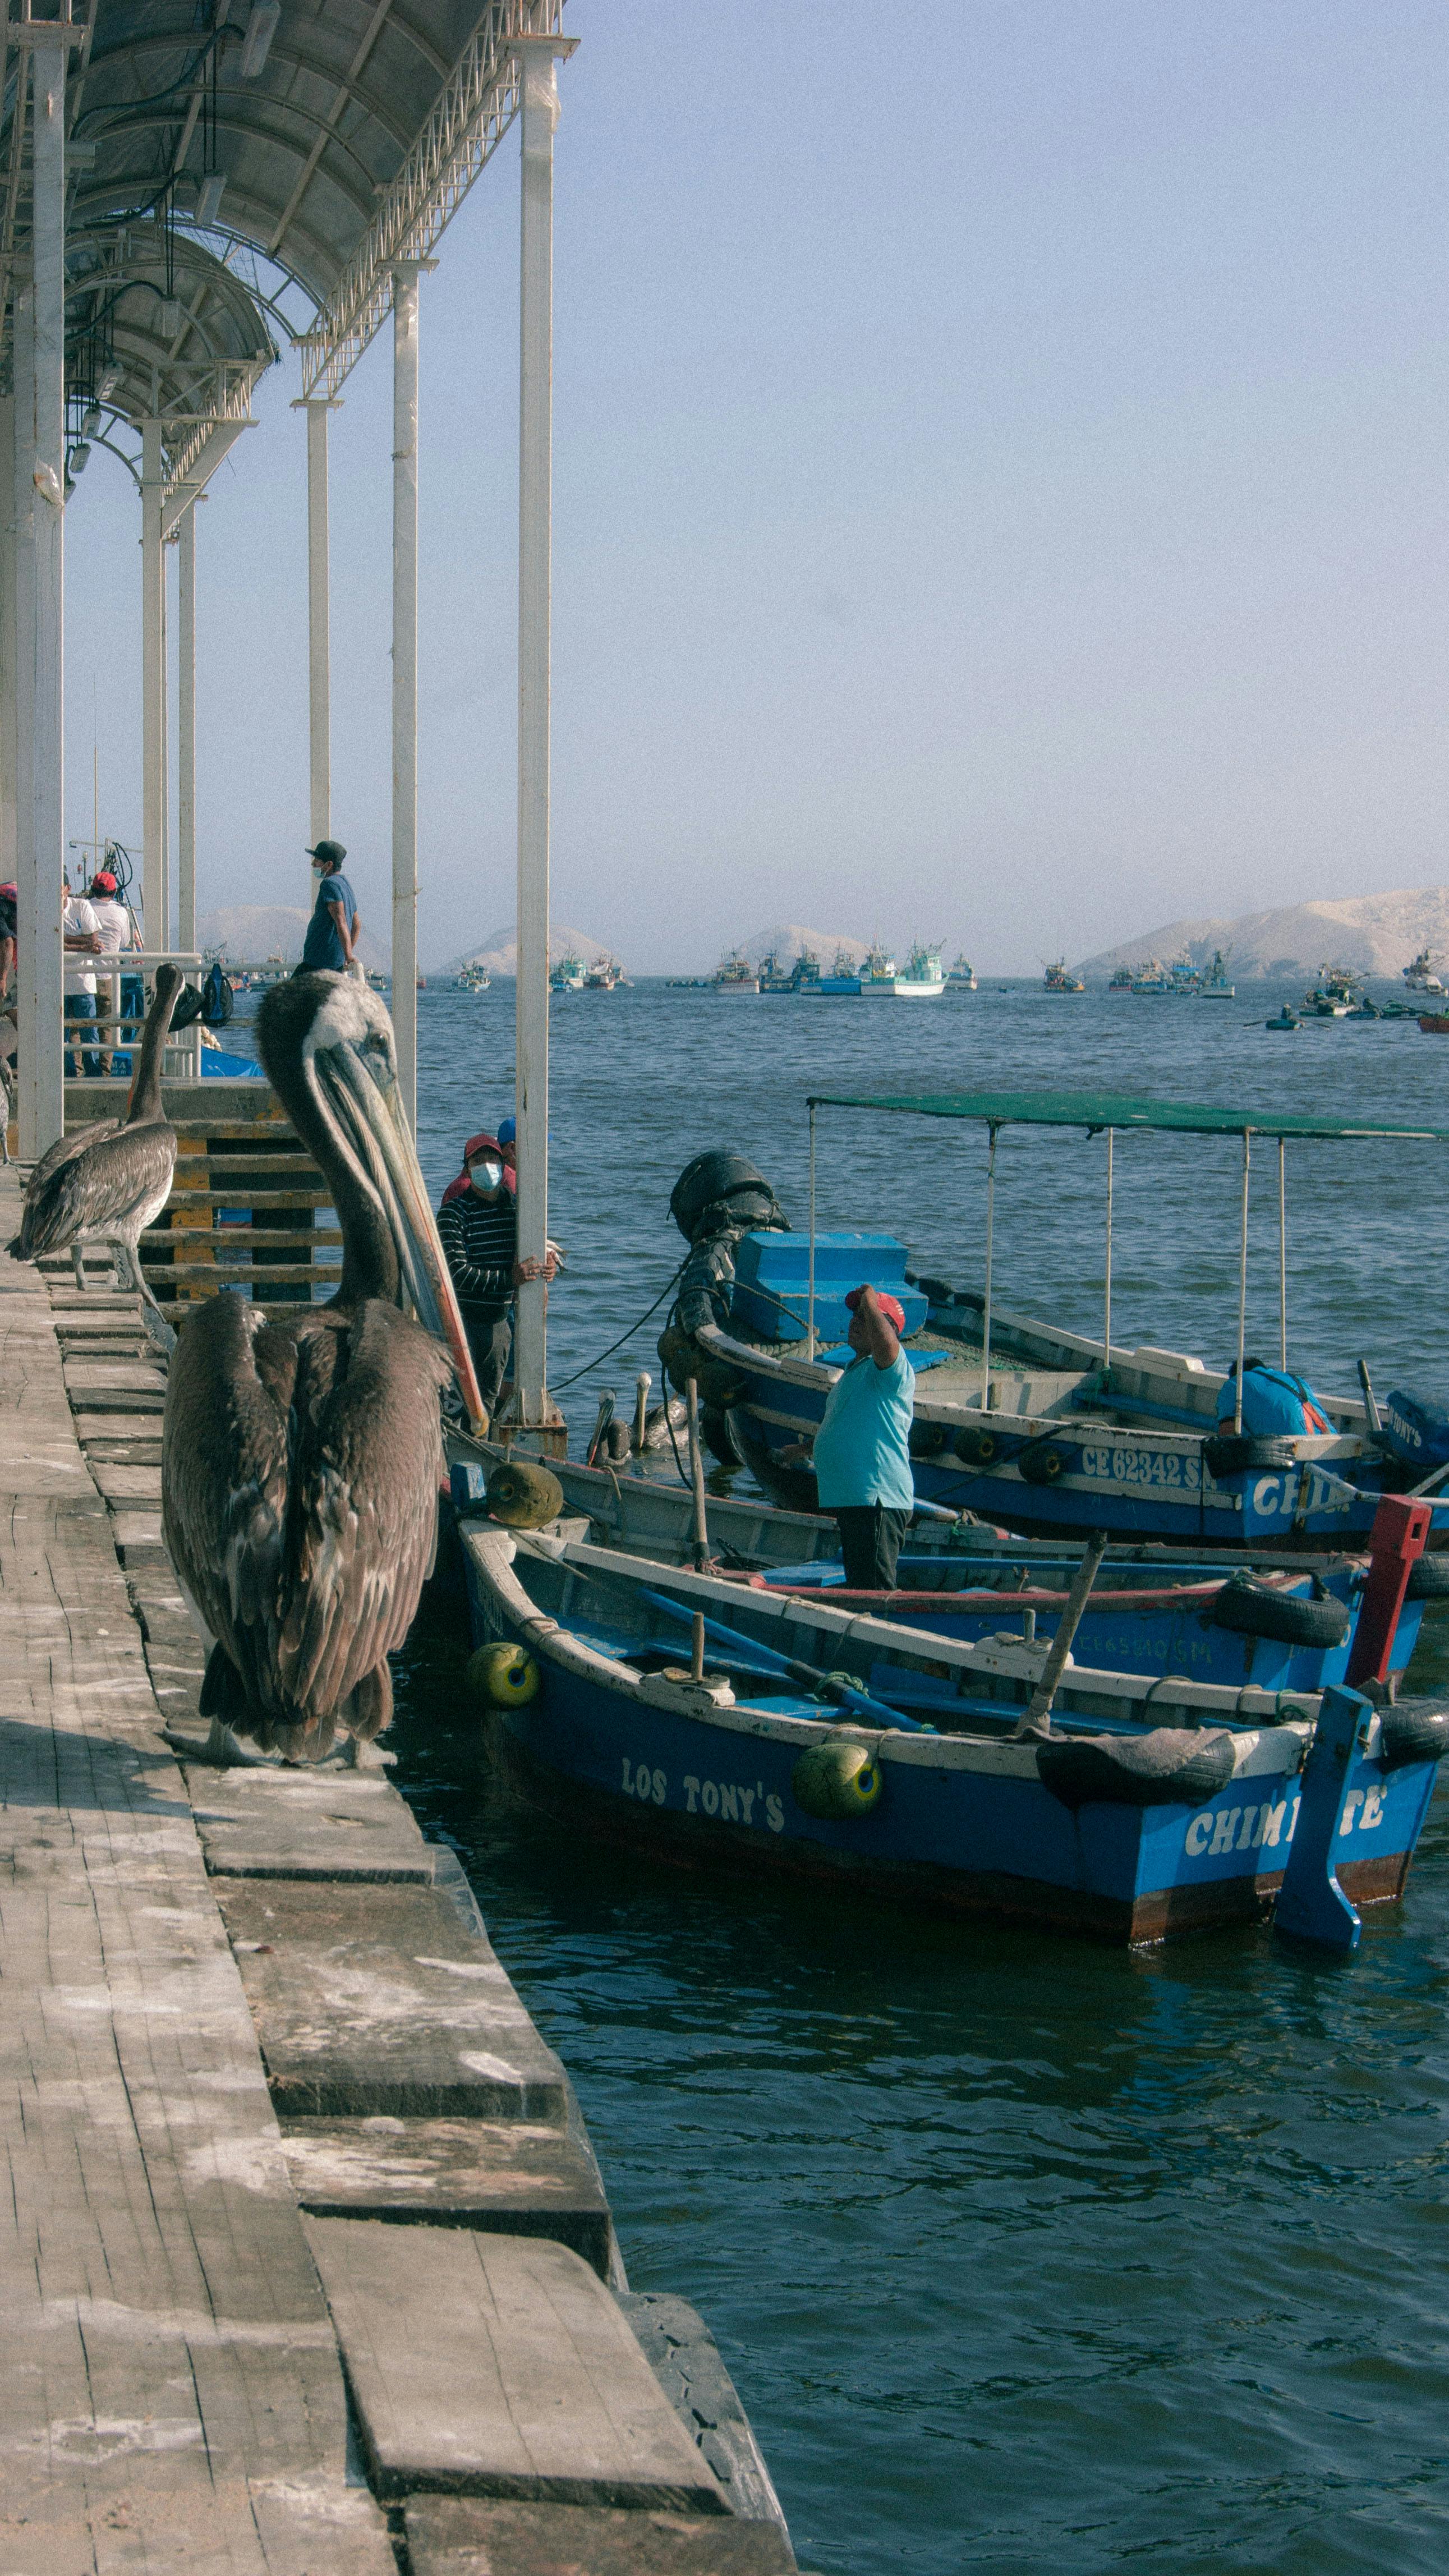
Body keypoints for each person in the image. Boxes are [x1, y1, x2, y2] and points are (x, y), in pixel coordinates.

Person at [438, 1131, 558, 1413]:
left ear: (503, 1165)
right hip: (461, 1324)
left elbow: (532, 1254)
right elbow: (456, 1273)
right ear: (467, 1169)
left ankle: (482, 1440)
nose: (487, 1166)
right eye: (478, 1160)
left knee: (487, 1406)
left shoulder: (516, 1210)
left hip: (498, 1325)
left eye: (493, 1159)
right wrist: (509, 1279)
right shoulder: (453, 1213)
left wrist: (547, 1265)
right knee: (451, 1407)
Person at [810, 1284, 917, 1590]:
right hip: (855, 1498)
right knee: (861, 1585)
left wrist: (871, 1300)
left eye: (866, 1317)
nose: (857, 1321)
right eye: (855, 1316)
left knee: (875, 1591)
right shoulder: (854, 1372)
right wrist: (805, 1449)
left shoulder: (892, 1370)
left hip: (877, 1497)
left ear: (888, 1328)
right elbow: (849, 1426)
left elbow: (887, 1346)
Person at [86, 868, 137, 1075]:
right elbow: (125, 942)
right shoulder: (121, 912)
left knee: (80, 1025)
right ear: (114, 892)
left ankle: (79, 1070)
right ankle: (104, 1071)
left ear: (92, 890)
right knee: (107, 1026)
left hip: (85, 975)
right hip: (109, 976)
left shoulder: (85, 907)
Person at [62, 873, 104, 1077]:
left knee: (89, 1030)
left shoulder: (81, 906)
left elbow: (93, 938)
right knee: (60, 1032)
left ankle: (94, 1071)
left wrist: (65, 941)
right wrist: (84, 944)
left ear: (67, 889)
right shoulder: (45, 911)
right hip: (58, 984)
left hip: (83, 983)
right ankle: (67, 1072)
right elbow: (55, 941)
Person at [300, 839, 360, 972]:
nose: (313, 864)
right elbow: (356, 925)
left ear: (329, 865)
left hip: (319, 962)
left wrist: (348, 956)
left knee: (291, 986)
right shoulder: (345, 884)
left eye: (317, 860)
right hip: (333, 962)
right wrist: (345, 954)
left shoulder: (329, 884)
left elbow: (341, 920)